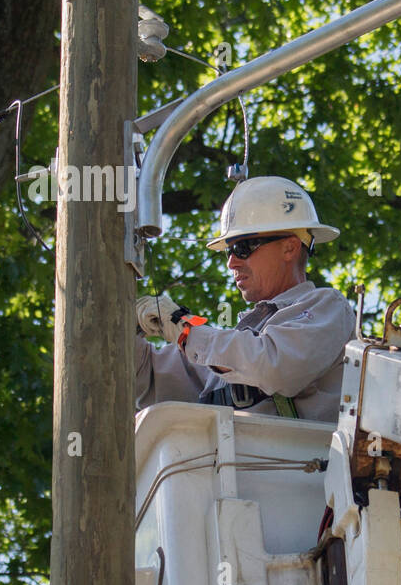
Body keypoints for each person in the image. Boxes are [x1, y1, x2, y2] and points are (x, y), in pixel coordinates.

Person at [135, 176, 355, 422]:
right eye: (229, 251)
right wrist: (126, 327)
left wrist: (182, 326)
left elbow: (275, 366)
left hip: (293, 460)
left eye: (243, 247)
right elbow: (148, 376)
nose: (231, 262)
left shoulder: (328, 308)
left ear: (290, 248)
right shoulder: (230, 352)